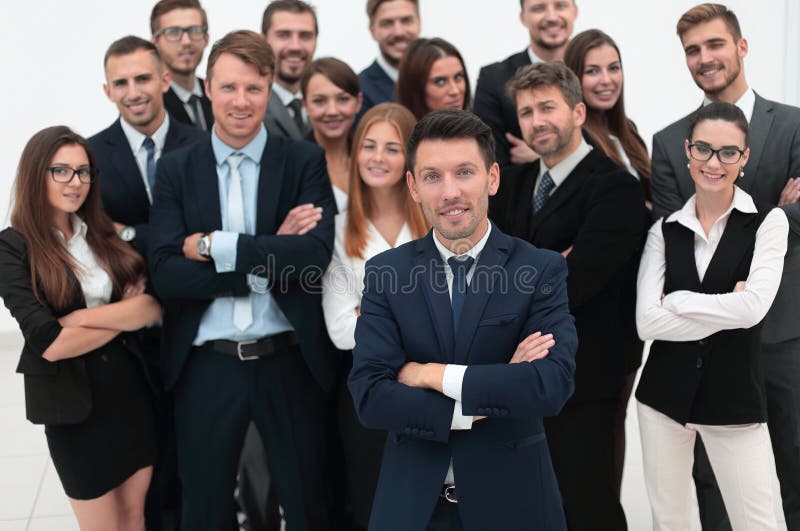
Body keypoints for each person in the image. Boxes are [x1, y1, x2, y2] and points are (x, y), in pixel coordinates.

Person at [349, 109, 577, 530]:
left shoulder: (539, 269)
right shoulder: (386, 273)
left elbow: (550, 386)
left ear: (492, 178)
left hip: (515, 507)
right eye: (433, 176)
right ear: (414, 186)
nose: (450, 192)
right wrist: (484, 398)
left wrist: (426, 374)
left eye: (464, 172)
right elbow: (370, 396)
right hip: (412, 510)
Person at [148, 30, 337, 531]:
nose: (241, 101)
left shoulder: (303, 160)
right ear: (208, 87)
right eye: (229, 87)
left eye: (254, 88)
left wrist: (215, 247)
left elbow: (312, 260)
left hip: (289, 361)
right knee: (206, 512)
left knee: (307, 508)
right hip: (207, 366)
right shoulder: (175, 169)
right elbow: (166, 274)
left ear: (269, 89)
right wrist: (271, 253)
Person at [651, 4, 800, 528]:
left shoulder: (794, 125)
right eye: (692, 50)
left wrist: (732, 227)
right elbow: (676, 238)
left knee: (794, 468)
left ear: (741, 47)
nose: (704, 58)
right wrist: (776, 211)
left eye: (714, 44)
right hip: (706, 343)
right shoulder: (669, 142)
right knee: (712, 482)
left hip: (782, 335)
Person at [491, 61, 648, 530]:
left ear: (578, 113)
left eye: (547, 108)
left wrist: (524, 270)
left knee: (587, 505)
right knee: (529, 507)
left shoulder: (616, 187)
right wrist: (549, 264)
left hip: (587, 377)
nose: (536, 121)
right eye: (526, 112)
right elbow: (487, 270)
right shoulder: (514, 184)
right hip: (519, 372)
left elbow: (576, 283)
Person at [0, 126, 162, 531]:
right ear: (36, 173)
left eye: (84, 171)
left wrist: (81, 319)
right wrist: (121, 317)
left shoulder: (102, 234)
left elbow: (149, 307)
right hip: (73, 409)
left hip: (130, 392)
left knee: (135, 517)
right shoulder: (12, 247)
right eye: (62, 171)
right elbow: (51, 344)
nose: (76, 182)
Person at [637, 102, 787, 530]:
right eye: (703, 149)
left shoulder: (768, 223)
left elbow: (753, 309)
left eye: (728, 152)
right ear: (688, 151)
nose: (713, 163)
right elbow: (647, 323)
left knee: (760, 522)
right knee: (671, 522)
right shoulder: (664, 230)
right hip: (662, 398)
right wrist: (728, 306)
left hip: (734, 398)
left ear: (744, 158)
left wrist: (679, 300)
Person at [89, 35, 200, 531]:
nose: (133, 91)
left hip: (197, 321)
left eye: (142, 79)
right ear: (107, 90)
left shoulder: (202, 145)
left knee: (199, 456)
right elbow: (94, 238)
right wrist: (176, 240)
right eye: (121, 82)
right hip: (130, 332)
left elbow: (210, 233)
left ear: (164, 80)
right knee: (144, 463)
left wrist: (131, 233)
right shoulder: (91, 155)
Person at [321, 102, 425, 529]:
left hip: (433, 389)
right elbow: (341, 330)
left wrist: (373, 312)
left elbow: (458, 315)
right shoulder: (338, 228)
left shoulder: (436, 221)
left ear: (411, 158)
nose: (378, 157)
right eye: (368, 146)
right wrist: (414, 315)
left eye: (392, 148)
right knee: (374, 509)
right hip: (369, 394)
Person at [562, 28, 651, 493]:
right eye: (592, 70)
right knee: (596, 430)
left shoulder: (626, 132)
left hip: (631, 303)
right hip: (596, 307)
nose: (605, 79)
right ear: (574, 80)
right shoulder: (579, 143)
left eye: (613, 68)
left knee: (616, 417)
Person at [473, 0, 578, 168]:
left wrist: (544, 157)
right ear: (523, 18)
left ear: (575, 11)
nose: (552, 17)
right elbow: (492, 165)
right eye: (539, 8)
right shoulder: (493, 79)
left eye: (560, 6)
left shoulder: (596, 74)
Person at [301, 57, 364, 213]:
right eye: (319, 101)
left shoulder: (373, 156)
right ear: (305, 105)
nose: (332, 111)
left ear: (358, 102)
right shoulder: (293, 165)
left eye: (343, 99)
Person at [150, 0, 213, 130]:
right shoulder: (149, 103)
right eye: (173, 32)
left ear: (206, 38)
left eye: (194, 31)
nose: (186, 41)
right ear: (155, 43)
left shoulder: (217, 93)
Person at [262, 0, 318, 139]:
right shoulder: (249, 106)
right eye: (283, 35)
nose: (295, 46)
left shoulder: (332, 106)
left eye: (305, 36)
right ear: (263, 40)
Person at [358, 0, 421, 117]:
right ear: (372, 31)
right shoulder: (360, 91)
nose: (398, 32)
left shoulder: (440, 80)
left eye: (406, 20)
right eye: (387, 23)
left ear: (419, 23)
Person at [396, 37, 470, 121]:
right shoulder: (396, 128)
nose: (454, 91)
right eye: (440, 82)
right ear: (415, 87)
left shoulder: (478, 127)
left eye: (458, 77)